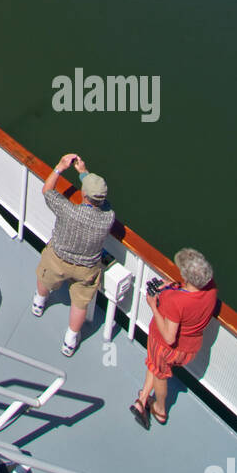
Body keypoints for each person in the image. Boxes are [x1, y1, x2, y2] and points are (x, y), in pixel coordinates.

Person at [32, 152, 114, 357]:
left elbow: (47, 190)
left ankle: (39, 302)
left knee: (44, 275)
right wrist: (84, 173)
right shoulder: (108, 217)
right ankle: (70, 339)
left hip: (58, 258)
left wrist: (60, 166)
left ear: (83, 194)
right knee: (80, 303)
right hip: (86, 268)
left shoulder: (68, 210)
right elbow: (102, 203)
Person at [130, 248, 217, 430]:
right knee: (154, 365)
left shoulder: (176, 301)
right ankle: (143, 398)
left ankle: (160, 410)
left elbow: (169, 337)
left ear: (187, 277)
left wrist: (153, 305)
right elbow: (191, 296)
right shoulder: (211, 290)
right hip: (189, 348)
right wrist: (174, 286)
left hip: (164, 347)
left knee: (160, 374)